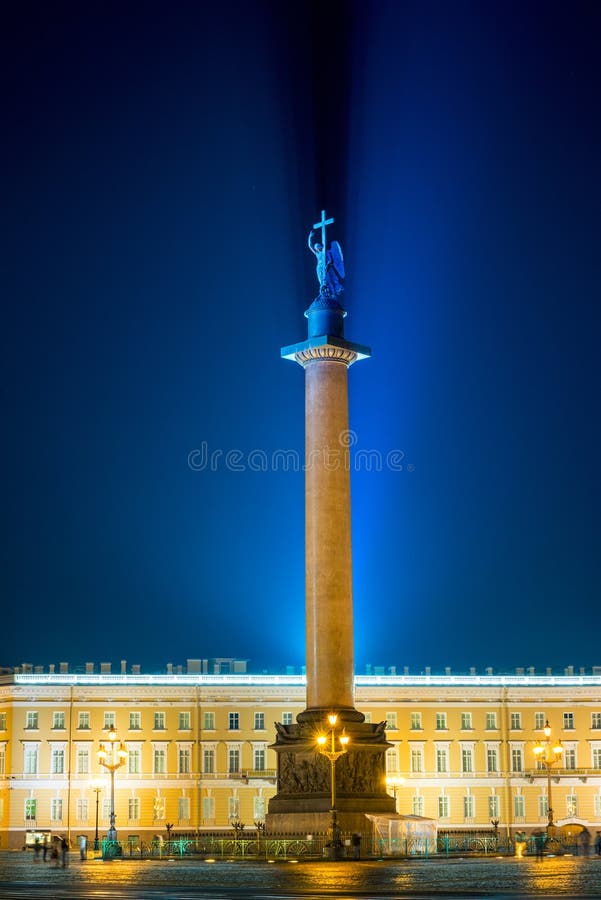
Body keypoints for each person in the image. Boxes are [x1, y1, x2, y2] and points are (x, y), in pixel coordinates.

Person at [307, 230, 345, 299]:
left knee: (332, 279)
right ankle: (325, 293)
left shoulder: (326, 252)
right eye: (317, 247)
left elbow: (330, 260)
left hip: (328, 267)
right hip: (320, 269)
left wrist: (328, 265)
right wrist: (310, 236)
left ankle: (334, 294)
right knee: (323, 281)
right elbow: (310, 246)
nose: (318, 247)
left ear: (321, 246)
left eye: (319, 246)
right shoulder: (317, 254)